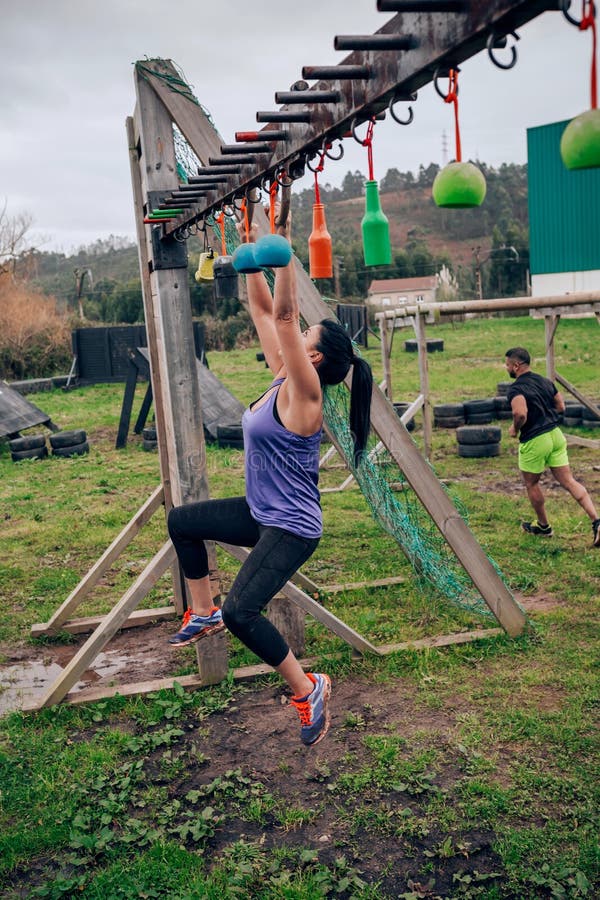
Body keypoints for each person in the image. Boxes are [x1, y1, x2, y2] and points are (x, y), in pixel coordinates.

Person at [166, 210, 374, 746]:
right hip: (262, 513)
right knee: (182, 522)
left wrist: (285, 260)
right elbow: (264, 311)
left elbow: (283, 316)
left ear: (315, 355)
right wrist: (250, 251)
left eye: (305, 334)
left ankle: (308, 689)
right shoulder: (283, 372)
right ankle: (202, 611)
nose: (296, 333)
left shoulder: (307, 395)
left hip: (292, 528)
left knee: (243, 611)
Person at [504, 346, 600, 546]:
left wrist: (514, 428)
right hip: (555, 435)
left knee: (532, 484)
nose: (506, 368)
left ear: (516, 365)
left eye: (507, 365)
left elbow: (520, 413)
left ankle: (543, 526)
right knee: (569, 481)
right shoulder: (545, 381)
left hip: (535, 439)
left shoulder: (516, 389)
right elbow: (561, 406)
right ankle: (597, 521)